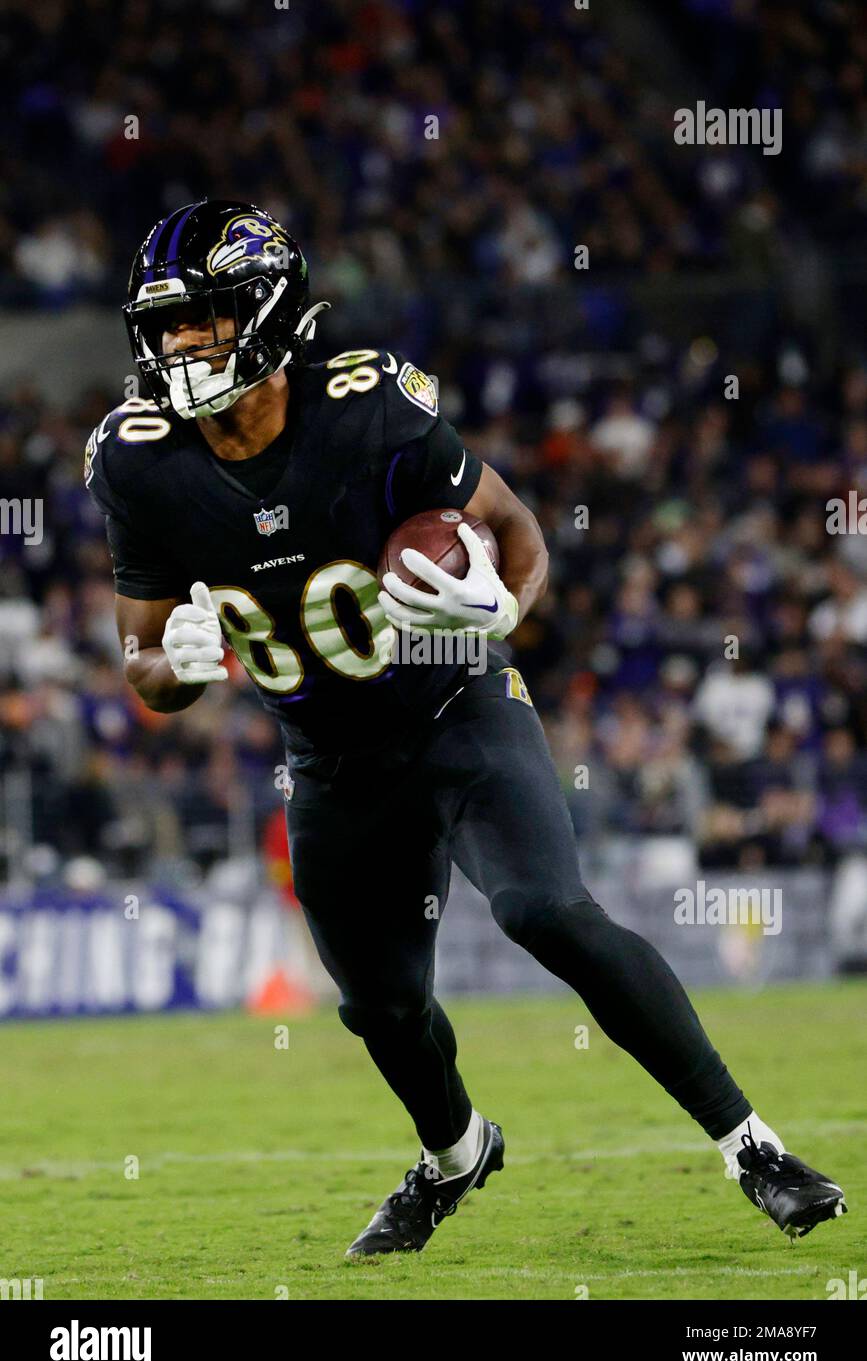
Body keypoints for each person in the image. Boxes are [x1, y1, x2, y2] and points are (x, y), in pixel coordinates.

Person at [86, 199, 846, 1256]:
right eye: (164, 325)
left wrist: (503, 607)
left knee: (547, 908)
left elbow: (516, 529)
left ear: (265, 314)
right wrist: (179, 664)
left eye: (202, 319)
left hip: (457, 709)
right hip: (331, 763)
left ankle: (751, 1144)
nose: (179, 345)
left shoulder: (364, 408)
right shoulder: (136, 459)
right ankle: (456, 1153)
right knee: (382, 1008)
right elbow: (140, 658)